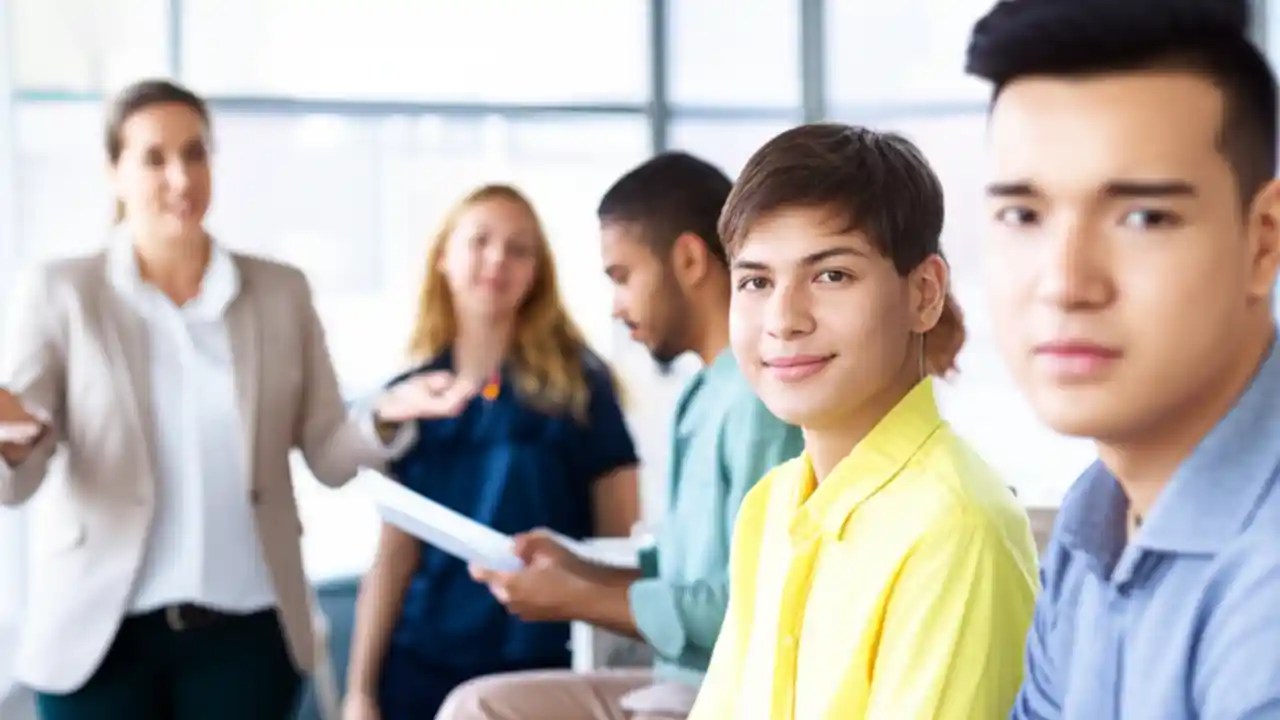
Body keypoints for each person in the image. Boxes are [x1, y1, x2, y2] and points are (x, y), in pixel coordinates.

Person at [0, 79, 448, 719]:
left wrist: (383, 417)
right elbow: (18, 470)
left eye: (195, 153)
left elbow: (326, 453)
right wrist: (15, 440)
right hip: (97, 639)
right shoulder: (63, 292)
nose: (180, 177)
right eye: (154, 158)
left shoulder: (279, 292)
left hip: (246, 635)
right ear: (114, 172)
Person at [967, 1, 1280, 717]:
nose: (1067, 283)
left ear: (1263, 241)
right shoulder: (1098, 507)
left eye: (1143, 217)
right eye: (1024, 215)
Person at [688, 124, 1039, 719]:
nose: (784, 319)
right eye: (756, 281)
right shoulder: (770, 506)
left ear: (924, 294)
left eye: (831, 276)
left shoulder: (957, 524)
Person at [438, 153, 804, 720]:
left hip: (727, 696)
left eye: (623, 276)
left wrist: (575, 598)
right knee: (475, 704)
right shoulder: (700, 395)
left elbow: (743, 610)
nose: (616, 305)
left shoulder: (759, 401)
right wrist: (577, 566)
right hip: (675, 682)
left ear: (687, 259)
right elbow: (684, 577)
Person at [341, 183, 641, 720]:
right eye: (480, 241)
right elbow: (392, 558)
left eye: (519, 248)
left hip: (541, 665)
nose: (498, 259)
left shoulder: (582, 389)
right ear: (443, 258)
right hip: (421, 665)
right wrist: (359, 691)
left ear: (537, 272)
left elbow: (614, 547)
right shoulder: (409, 397)